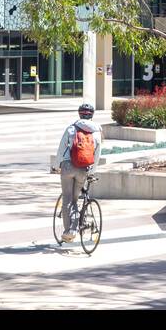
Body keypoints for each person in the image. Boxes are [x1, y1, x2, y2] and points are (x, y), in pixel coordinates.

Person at [53, 103, 101, 243]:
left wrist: (56, 166)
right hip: (83, 169)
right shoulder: (96, 132)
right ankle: (77, 226)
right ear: (92, 115)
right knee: (75, 198)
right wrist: (91, 171)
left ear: (79, 114)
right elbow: (96, 155)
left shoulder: (71, 128)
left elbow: (62, 148)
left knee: (68, 199)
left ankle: (70, 231)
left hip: (68, 167)